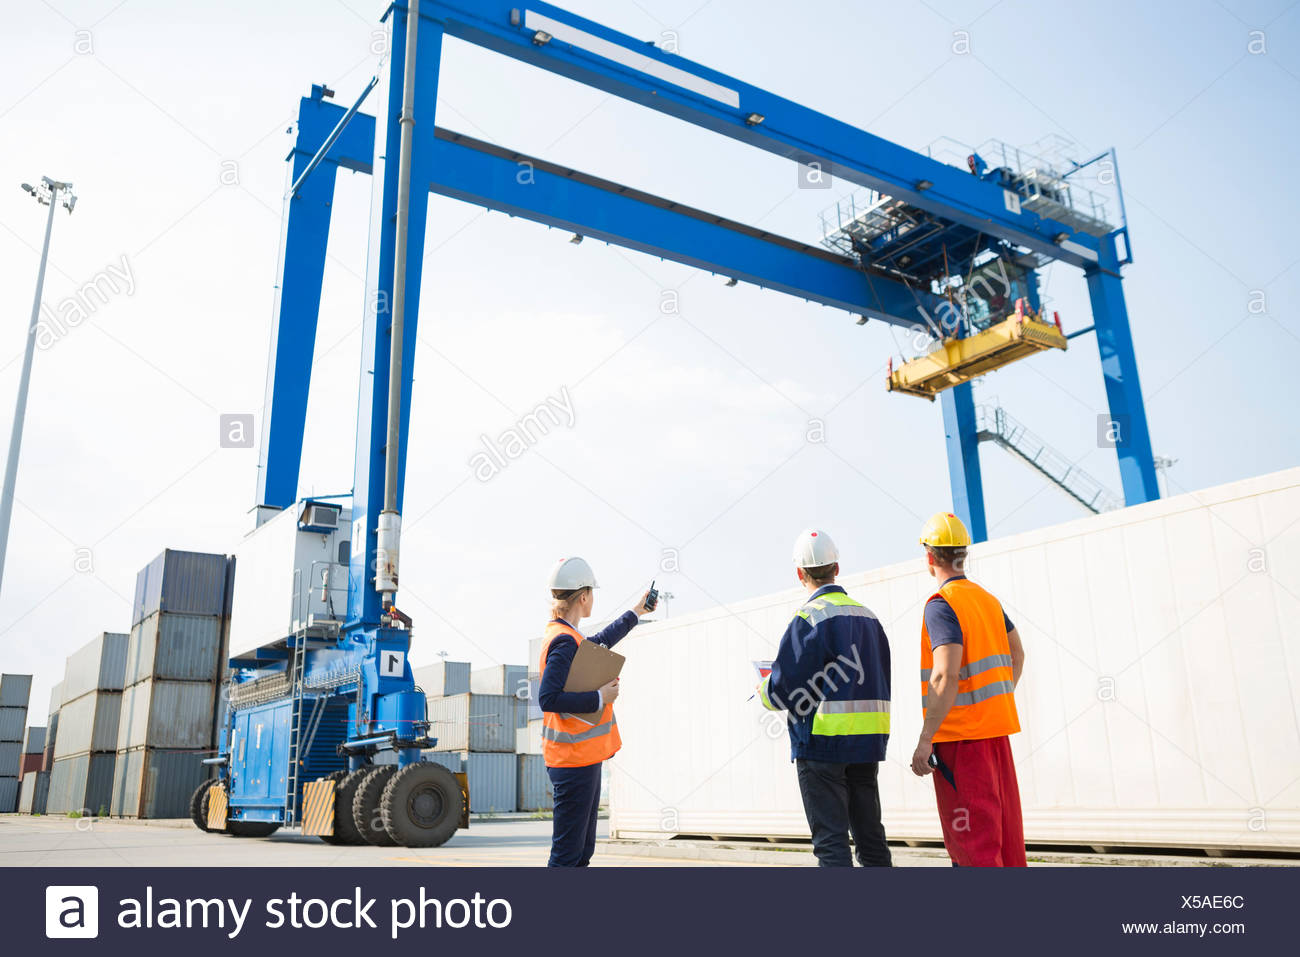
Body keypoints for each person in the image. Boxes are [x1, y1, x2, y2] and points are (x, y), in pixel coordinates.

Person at [756, 529, 893, 867]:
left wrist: (764, 691)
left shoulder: (808, 618)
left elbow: (784, 687)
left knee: (831, 843)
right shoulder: (869, 618)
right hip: (867, 744)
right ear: (836, 567)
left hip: (822, 745)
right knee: (871, 839)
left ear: (800, 573)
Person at [909, 511, 1027, 867]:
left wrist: (926, 738)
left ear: (930, 557)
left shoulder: (942, 606)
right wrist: (992, 702)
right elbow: (1017, 654)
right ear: (964, 553)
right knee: (1004, 838)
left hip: (961, 743)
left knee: (973, 842)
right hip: (995, 736)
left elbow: (944, 675)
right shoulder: (988, 601)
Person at [538, 556, 654, 867]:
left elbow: (600, 642)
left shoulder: (567, 636)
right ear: (584, 596)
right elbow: (548, 698)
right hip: (572, 761)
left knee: (580, 854)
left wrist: (636, 612)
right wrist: (598, 698)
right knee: (567, 857)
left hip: (579, 759)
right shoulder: (564, 641)